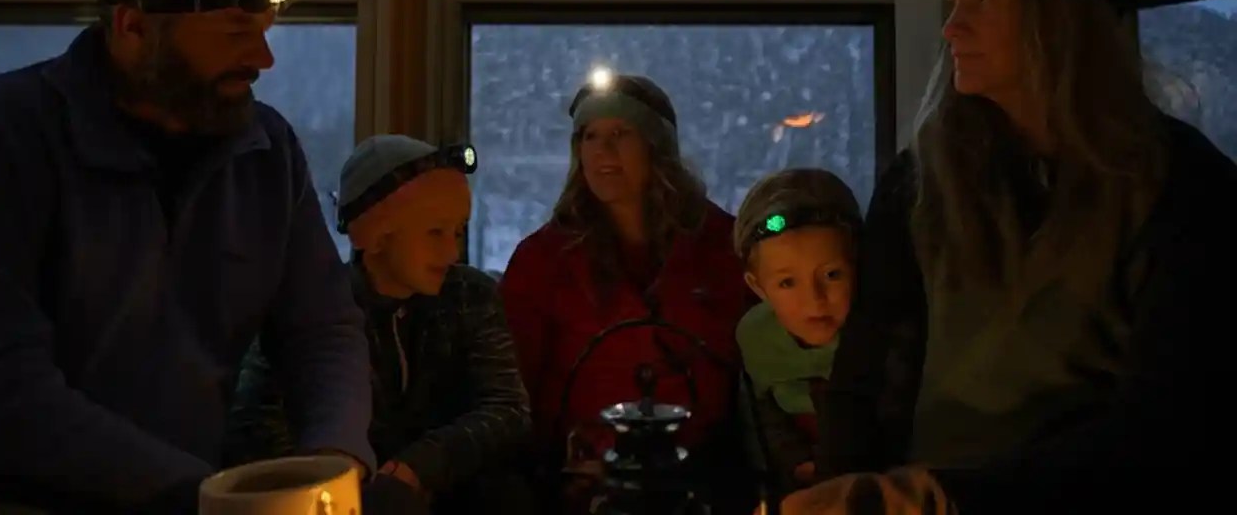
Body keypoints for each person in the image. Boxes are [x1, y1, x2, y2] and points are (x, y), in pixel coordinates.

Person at [790, 0, 1237, 513]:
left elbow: (1169, 425)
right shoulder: (921, 184)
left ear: (1061, 17)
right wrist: (848, 493)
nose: (952, 27)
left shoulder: (1183, 187)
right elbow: (864, 379)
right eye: (953, 1)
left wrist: (932, 498)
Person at [0, 0, 375, 513]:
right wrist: (201, 495)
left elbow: (322, 331)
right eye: (235, 35)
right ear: (133, 26)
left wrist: (336, 462)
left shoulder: (266, 152)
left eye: (265, 32)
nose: (263, 60)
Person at [225, 135, 534, 515]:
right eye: (434, 232)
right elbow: (254, 420)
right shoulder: (317, 313)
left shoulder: (471, 297)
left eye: (457, 231)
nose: (452, 252)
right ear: (376, 236)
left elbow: (506, 408)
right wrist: (342, 480)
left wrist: (421, 466)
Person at [499, 71, 754, 512]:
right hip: (582, 488)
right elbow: (514, 388)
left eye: (620, 133)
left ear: (657, 146)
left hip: (709, 484)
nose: (603, 149)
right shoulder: (543, 261)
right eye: (590, 136)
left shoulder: (723, 247)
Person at [732, 168, 860, 501]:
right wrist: (795, 460)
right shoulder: (757, 339)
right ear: (758, 287)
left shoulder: (882, 333)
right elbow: (761, 418)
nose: (814, 300)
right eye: (787, 282)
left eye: (832, 275)